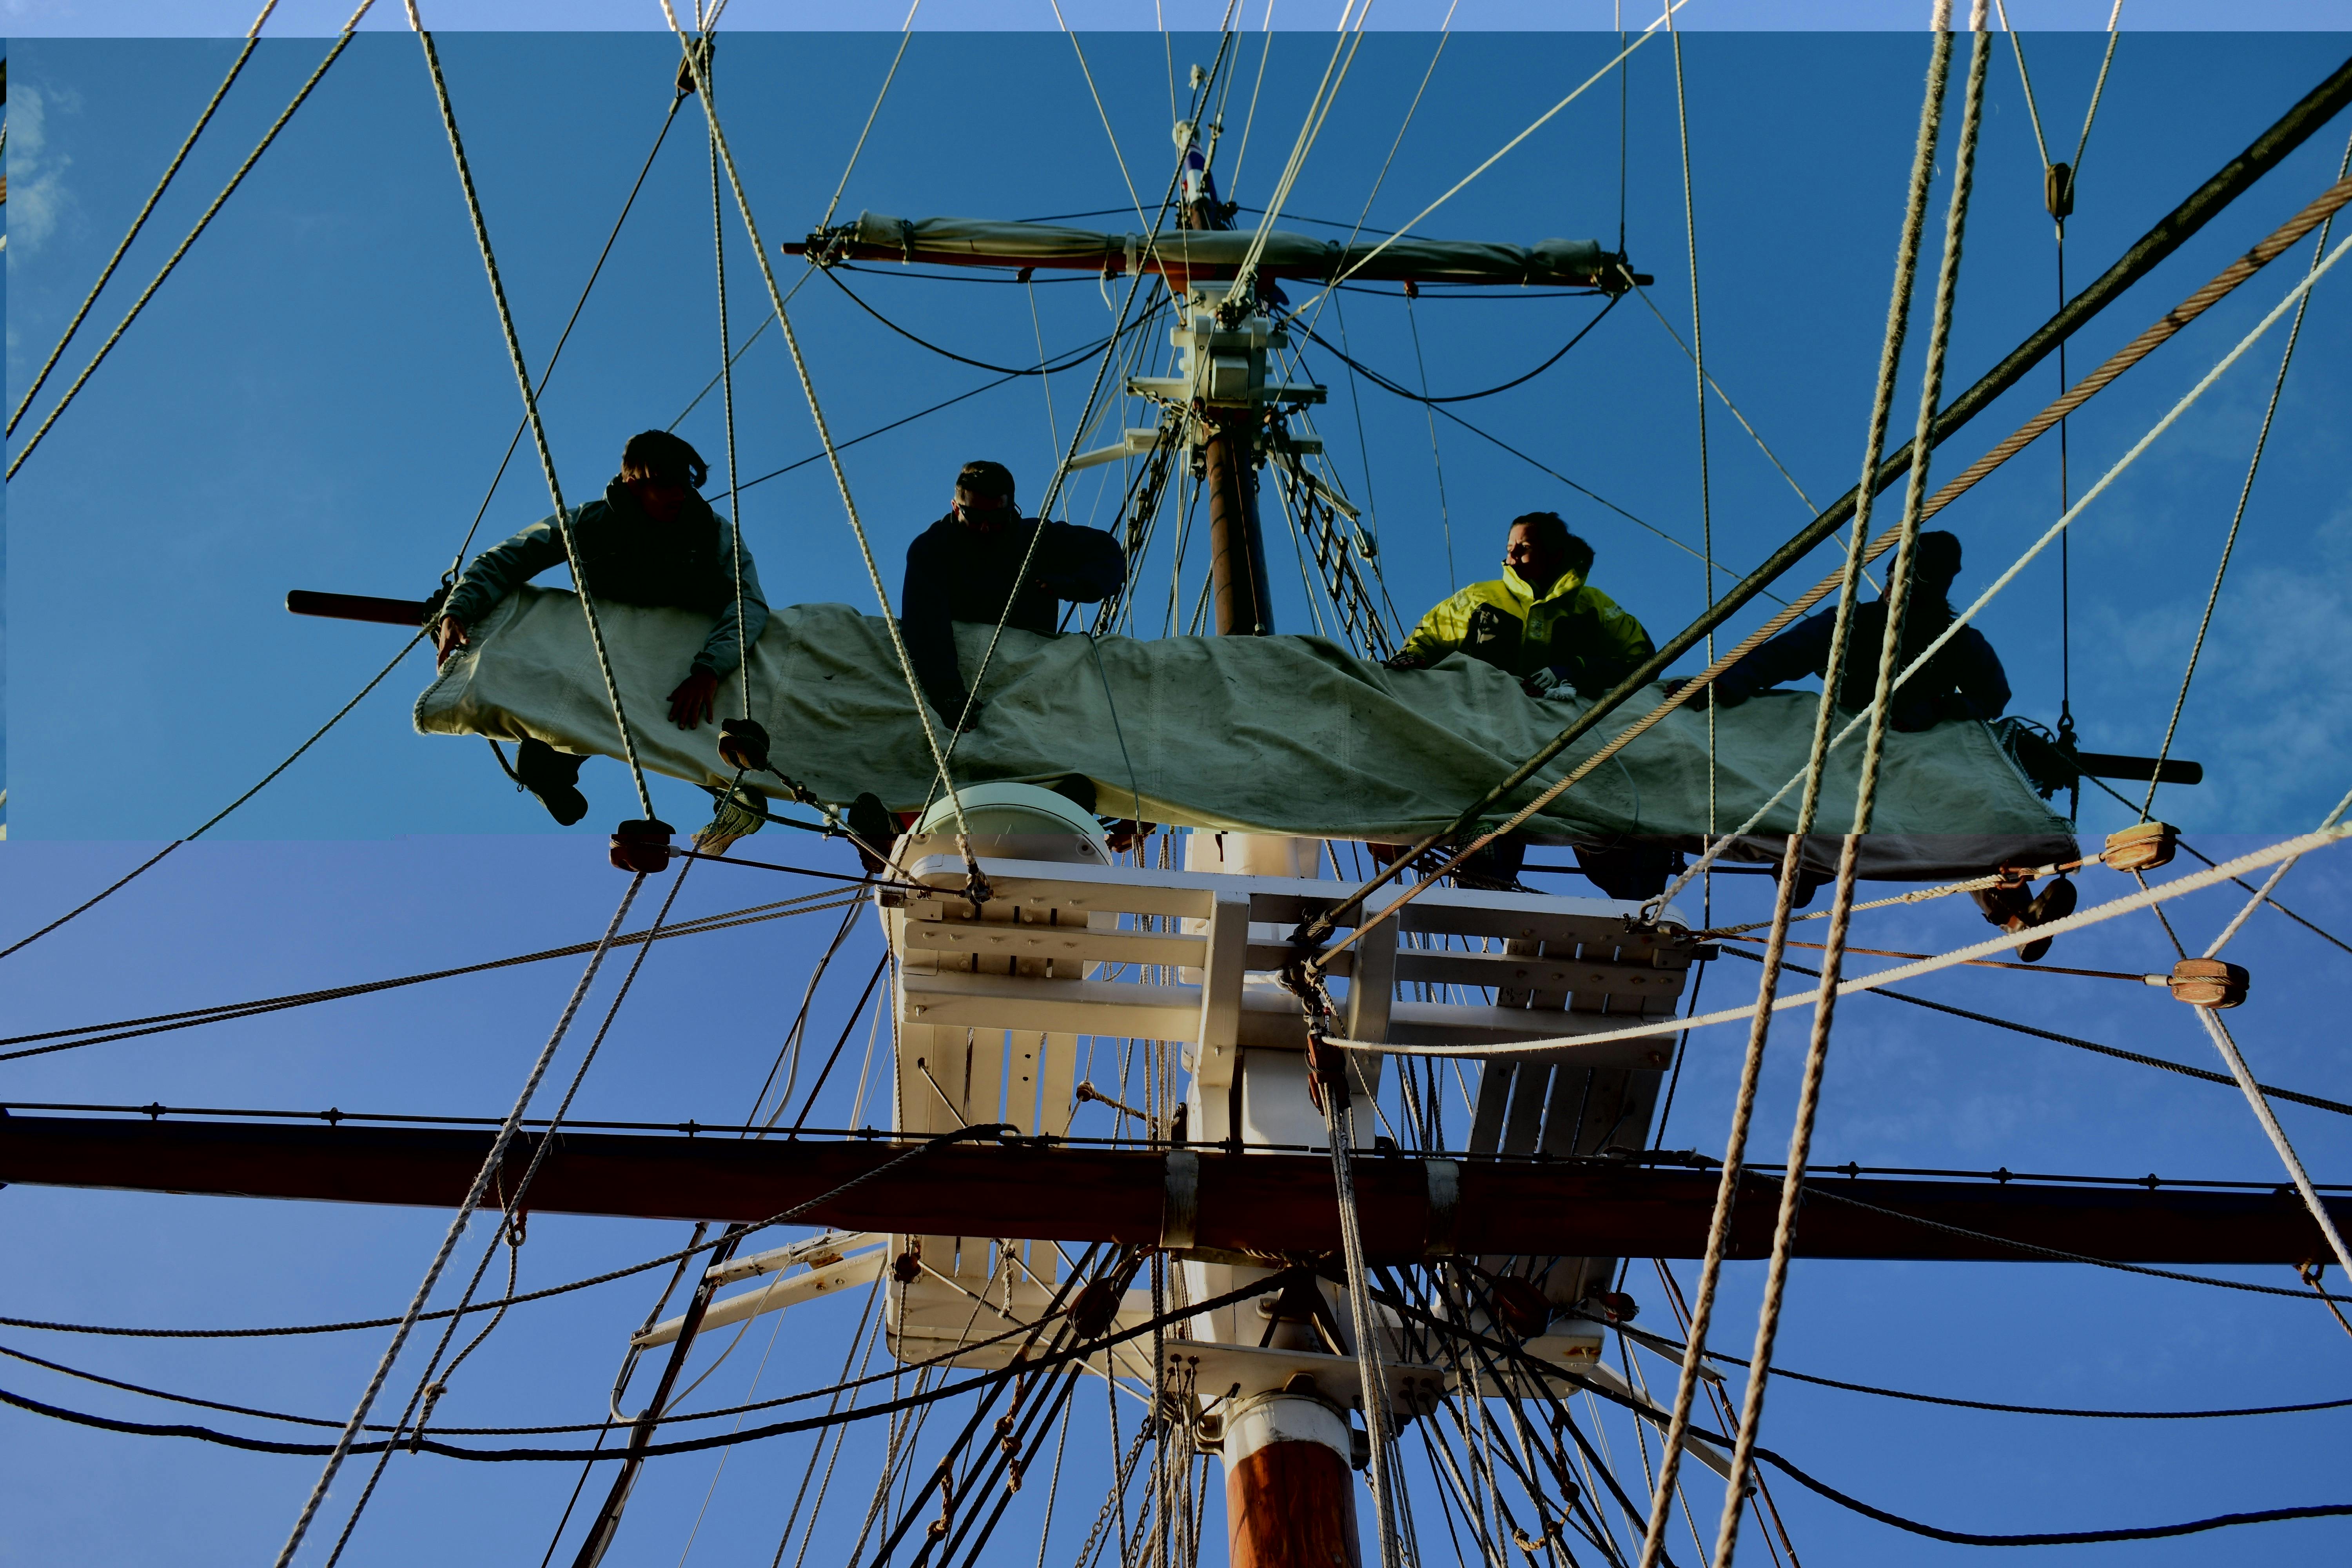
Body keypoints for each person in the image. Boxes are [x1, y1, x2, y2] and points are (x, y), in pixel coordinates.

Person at [434, 429, 768, 823]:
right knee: (543, 751)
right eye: (665, 484)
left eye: (686, 482)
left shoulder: (711, 532)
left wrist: (710, 669)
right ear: (632, 484)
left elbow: (747, 601)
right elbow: (508, 559)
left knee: (684, 717)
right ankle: (549, 776)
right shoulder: (592, 523)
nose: (680, 494)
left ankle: (732, 788)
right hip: (609, 648)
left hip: (684, 650)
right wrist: (457, 609)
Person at [1701, 529, 2007, 731]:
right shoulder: (1852, 623)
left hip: (1916, 729)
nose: (1892, 593)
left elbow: (1994, 697)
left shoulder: (1958, 643)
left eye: (1908, 588)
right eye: (1891, 581)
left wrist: (1943, 708)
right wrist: (1722, 685)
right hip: (1850, 716)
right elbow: (1781, 656)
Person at [901, 460, 1127, 731]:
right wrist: (948, 694)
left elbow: (1107, 553)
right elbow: (925, 626)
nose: (985, 528)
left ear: (1012, 510)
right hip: (960, 662)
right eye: (974, 518)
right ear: (955, 507)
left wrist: (1073, 585)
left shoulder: (1036, 540)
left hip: (1030, 669)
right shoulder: (932, 550)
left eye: (996, 520)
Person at [1386, 512, 1656, 699]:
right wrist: (1413, 655)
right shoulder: (1479, 597)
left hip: (1571, 721)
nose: (1511, 555)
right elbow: (1432, 634)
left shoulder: (1594, 606)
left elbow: (1641, 660)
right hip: (1483, 712)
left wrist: (1576, 670)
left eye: (1524, 547)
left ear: (1554, 555)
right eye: (1509, 546)